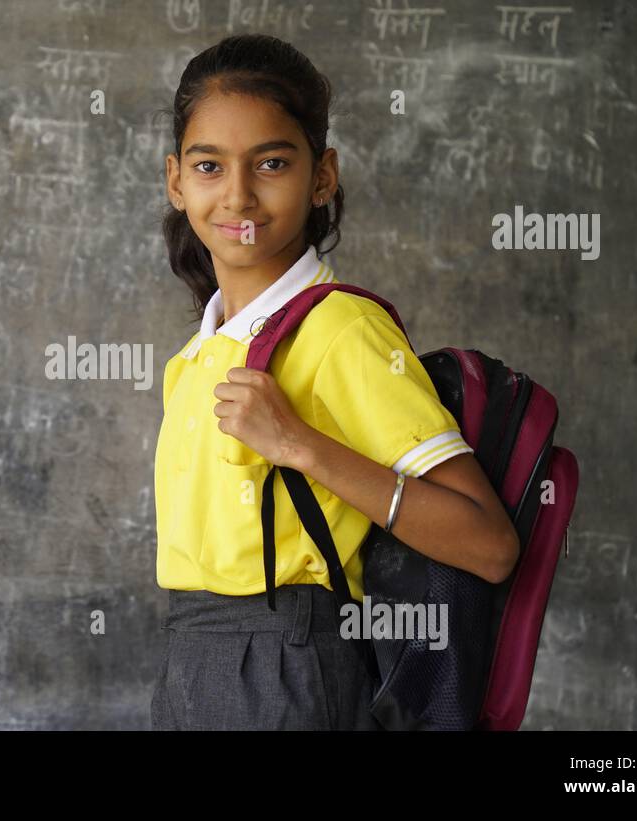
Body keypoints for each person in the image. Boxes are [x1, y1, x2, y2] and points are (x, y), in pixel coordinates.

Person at [151, 33, 519, 731]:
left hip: (289, 668)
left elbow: (490, 545)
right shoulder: (194, 357)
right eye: (208, 165)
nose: (238, 194)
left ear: (323, 177)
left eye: (272, 163)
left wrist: (302, 445)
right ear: (176, 181)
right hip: (188, 661)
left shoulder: (342, 330)